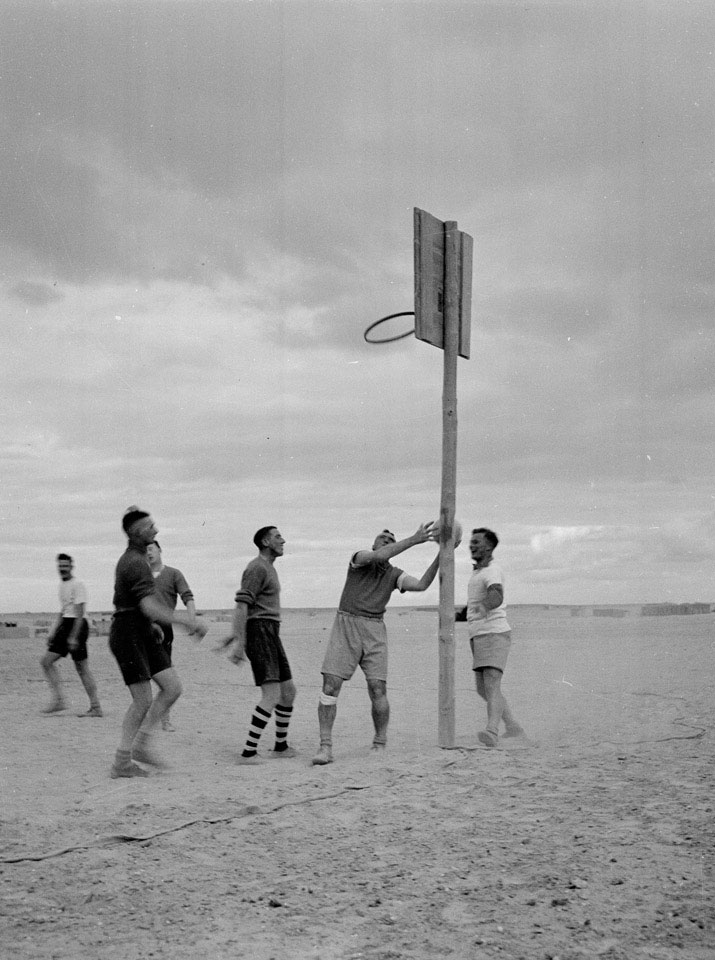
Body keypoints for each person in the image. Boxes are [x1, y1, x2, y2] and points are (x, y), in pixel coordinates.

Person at [312, 522, 440, 766]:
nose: (387, 543)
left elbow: (422, 584)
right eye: (383, 539)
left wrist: (441, 555)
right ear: (373, 545)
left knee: (378, 689)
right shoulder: (359, 559)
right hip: (346, 624)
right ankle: (325, 748)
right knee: (330, 686)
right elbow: (380, 556)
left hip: (374, 628)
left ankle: (380, 743)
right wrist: (414, 539)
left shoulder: (394, 574)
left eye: (391, 540)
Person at [108, 507, 208, 778]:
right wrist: (189, 622)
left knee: (172, 687)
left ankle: (141, 745)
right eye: (150, 527)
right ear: (135, 532)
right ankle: (122, 761)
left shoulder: (140, 559)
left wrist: (150, 626)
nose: (155, 530)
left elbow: (137, 604)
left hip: (141, 631)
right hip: (127, 635)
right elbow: (148, 606)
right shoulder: (133, 561)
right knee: (142, 700)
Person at [223, 526, 297, 764]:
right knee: (272, 694)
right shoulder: (256, 567)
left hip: (271, 631)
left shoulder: (269, 568)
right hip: (259, 631)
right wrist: (239, 641)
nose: (283, 540)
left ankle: (280, 746)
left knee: (288, 691)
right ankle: (248, 753)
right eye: (278, 537)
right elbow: (242, 604)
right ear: (265, 541)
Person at [464, 527, 524, 747]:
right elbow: (474, 606)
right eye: (471, 542)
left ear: (489, 546)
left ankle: (492, 730)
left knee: (491, 684)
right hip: (479, 635)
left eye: (477, 542)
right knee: (485, 689)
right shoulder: (477, 573)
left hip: (494, 632)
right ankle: (514, 727)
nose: (471, 545)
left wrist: (484, 606)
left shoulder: (492, 571)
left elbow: (496, 595)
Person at [40, 553, 102, 717]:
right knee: (46, 662)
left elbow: (80, 613)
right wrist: (53, 631)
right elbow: (63, 610)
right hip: (66, 624)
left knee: (81, 667)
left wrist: (74, 636)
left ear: (71, 566)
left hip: (78, 625)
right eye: (60, 566)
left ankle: (96, 707)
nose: (62, 569)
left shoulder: (78, 584)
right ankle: (59, 700)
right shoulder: (62, 585)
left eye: (65, 566)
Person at [146, 540, 197, 732]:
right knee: (143, 676)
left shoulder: (173, 574)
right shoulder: (141, 576)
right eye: (145, 550)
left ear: (160, 550)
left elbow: (188, 598)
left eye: (151, 549)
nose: (148, 553)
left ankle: (165, 719)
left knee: (165, 673)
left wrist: (191, 620)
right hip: (142, 628)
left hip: (164, 629)